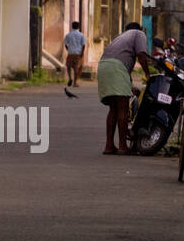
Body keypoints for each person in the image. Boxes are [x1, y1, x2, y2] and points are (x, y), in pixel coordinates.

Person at [98, 22, 154, 155]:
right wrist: (147, 73)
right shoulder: (139, 34)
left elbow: (122, 67)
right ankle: (123, 146)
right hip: (117, 68)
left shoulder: (120, 37)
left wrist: (131, 87)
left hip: (103, 66)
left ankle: (109, 146)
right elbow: (141, 55)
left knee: (113, 108)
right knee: (123, 108)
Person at [63, 22, 86, 88]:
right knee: (76, 67)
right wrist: (82, 53)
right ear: (78, 27)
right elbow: (83, 45)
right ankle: (75, 82)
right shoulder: (81, 35)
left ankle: (70, 78)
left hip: (70, 53)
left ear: (72, 27)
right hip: (78, 53)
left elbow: (65, 43)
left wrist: (68, 49)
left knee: (68, 66)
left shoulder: (68, 35)